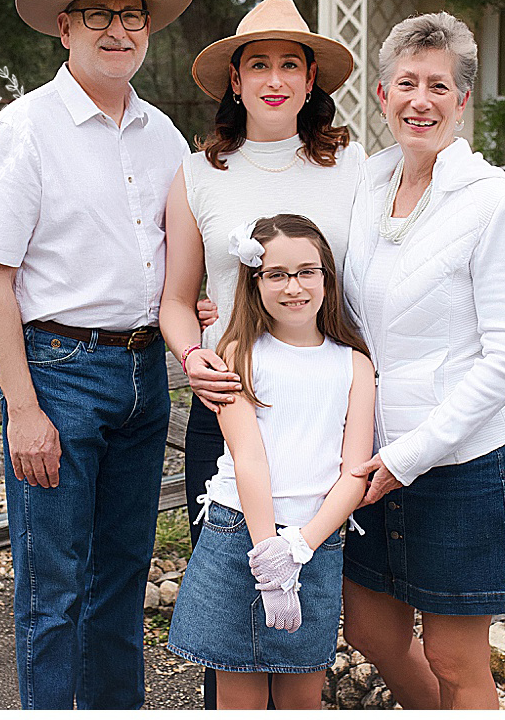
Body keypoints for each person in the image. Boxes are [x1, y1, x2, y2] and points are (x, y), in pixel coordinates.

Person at [0, 0, 194, 710]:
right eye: (98, 14)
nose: (118, 29)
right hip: (58, 375)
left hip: (144, 377)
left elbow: (172, 266)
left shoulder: (165, 136)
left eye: (131, 14)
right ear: (65, 26)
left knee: (121, 579)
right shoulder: (27, 127)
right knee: (52, 588)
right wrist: (23, 407)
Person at [158, 0, 364, 707]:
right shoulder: (197, 172)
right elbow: (178, 300)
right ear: (235, 82)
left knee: (304, 620)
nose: (274, 79)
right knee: (231, 625)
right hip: (228, 404)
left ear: (311, 82)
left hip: (323, 408)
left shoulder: (352, 166)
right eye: (258, 65)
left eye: (289, 64)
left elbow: (358, 284)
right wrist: (193, 354)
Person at [339, 12, 505, 709]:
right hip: (375, 456)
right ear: (381, 94)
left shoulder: (494, 206)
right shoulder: (367, 183)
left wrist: (413, 453)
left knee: (455, 657)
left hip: (463, 461)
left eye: (438, 84)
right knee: (370, 629)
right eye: (405, 83)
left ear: (462, 100)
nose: (419, 99)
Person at [167, 214, 376, 709]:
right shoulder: (239, 352)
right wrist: (268, 561)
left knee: (301, 693)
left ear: (327, 275)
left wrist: (299, 548)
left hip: (315, 541)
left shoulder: (354, 364)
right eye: (277, 274)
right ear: (254, 281)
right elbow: (249, 458)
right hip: (239, 534)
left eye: (307, 271)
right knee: (238, 693)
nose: (293, 287)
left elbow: (355, 473)